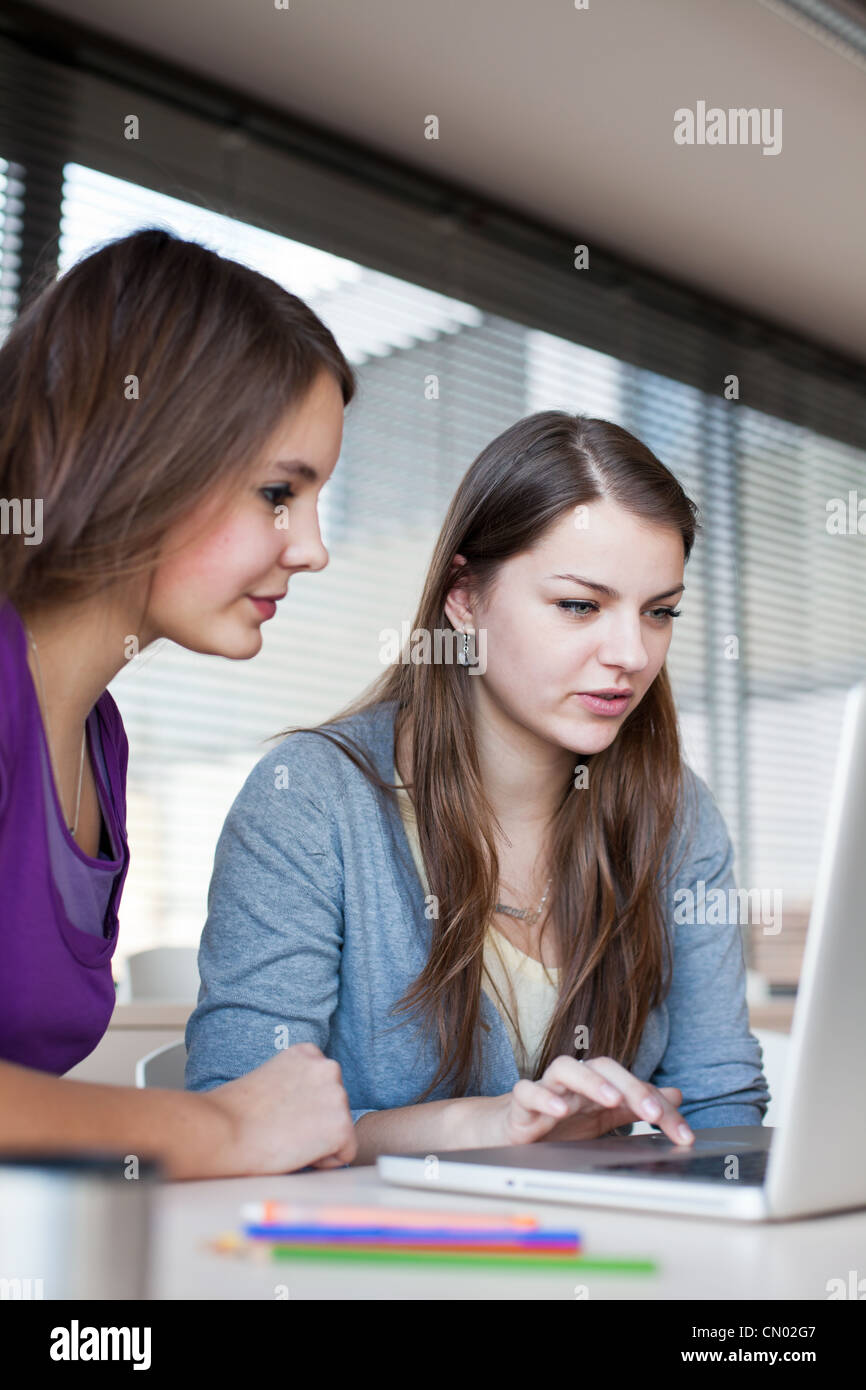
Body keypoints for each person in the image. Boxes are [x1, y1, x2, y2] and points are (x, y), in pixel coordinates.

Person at [185, 411, 771, 1163]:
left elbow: (720, 1103)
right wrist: (482, 1126)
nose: (630, 653)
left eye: (660, 613)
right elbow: (236, 1117)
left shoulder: (676, 813)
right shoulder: (311, 799)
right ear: (464, 598)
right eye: (580, 606)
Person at [0, 227, 358, 1178]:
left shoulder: (96, 742)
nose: (312, 547)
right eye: (278, 491)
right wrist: (227, 1129)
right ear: (140, 454)